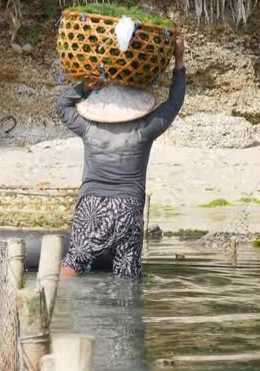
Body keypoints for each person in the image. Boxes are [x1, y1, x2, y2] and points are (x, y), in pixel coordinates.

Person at [55, 36, 186, 278]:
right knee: (127, 273)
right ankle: (126, 314)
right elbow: (175, 102)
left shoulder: (89, 128)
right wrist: (178, 60)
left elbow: (62, 106)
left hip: (92, 204)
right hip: (129, 207)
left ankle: (61, 303)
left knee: (73, 263)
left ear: (102, 106)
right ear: (135, 106)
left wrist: (85, 87)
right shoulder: (144, 129)